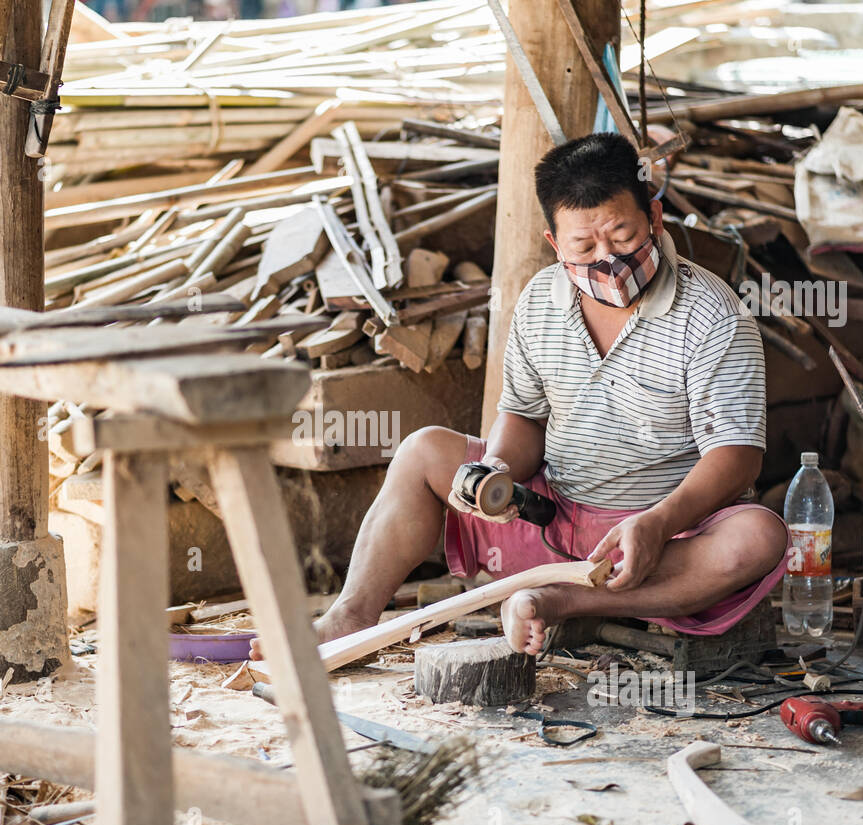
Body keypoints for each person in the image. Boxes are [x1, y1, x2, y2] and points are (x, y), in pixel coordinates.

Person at [251, 132, 789, 661]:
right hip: (549, 521)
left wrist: (658, 521)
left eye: (623, 235)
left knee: (758, 537)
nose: (607, 259)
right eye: (584, 245)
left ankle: (559, 600)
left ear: (654, 217)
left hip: (659, 544)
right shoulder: (539, 300)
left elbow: (737, 457)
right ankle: (351, 614)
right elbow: (524, 418)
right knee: (422, 451)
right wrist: (496, 469)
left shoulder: (714, 313)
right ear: (556, 244)